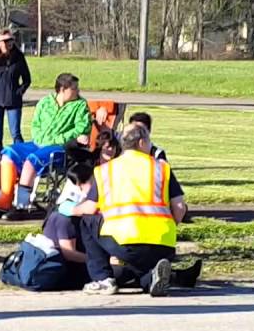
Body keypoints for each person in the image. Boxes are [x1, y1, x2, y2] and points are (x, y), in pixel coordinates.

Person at [78, 123, 188, 297]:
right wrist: (171, 223)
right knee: (143, 267)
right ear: (142, 143)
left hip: (124, 241)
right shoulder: (161, 168)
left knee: (87, 220)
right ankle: (151, 279)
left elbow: (90, 208)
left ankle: (103, 279)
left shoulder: (106, 170)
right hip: (164, 243)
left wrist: (69, 209)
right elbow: (180, 207)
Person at [0, 72, 92, 217]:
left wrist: (56, 139)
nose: (78, 91)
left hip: (61, 148)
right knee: (8, 152)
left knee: (32, 160)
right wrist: (40, 138)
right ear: (63, 89)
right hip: (38, 142)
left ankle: (22, 205)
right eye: (74, 89)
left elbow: (81, 129)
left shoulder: (80, 105)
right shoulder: (45, 102)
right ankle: (5, 197)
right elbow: (35, 126)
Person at [0, 30, 31, 146]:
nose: (8, 44)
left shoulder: (18, 57)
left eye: (10, 41)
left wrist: (20, 91)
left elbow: (27, 79)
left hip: (13, 100)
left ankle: (19, 157)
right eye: (4, 41)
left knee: (16, 134)